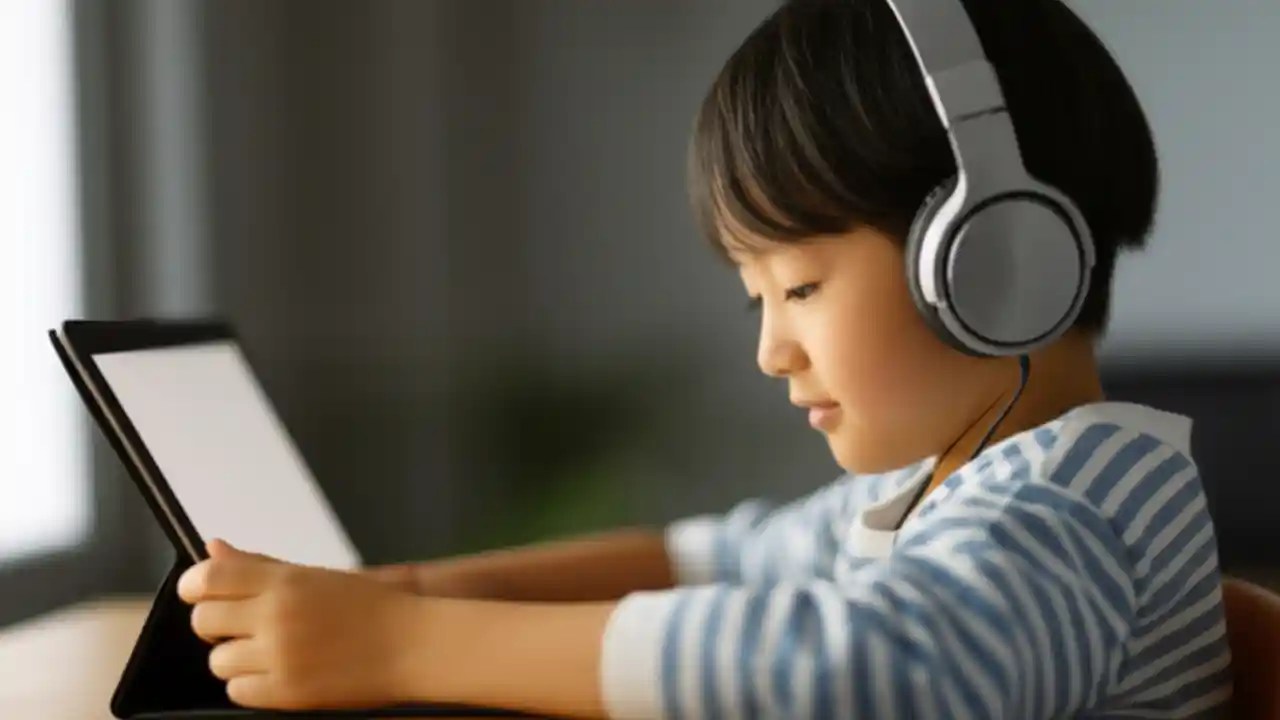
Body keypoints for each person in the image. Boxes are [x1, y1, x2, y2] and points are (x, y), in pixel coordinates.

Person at [176, 0, 1233, 717]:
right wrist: (403, 594)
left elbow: (879, 672)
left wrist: (404, 645)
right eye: (754, 298)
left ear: (995, 259)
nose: (770, 350)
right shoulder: (946, 485)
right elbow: (701, 560)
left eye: (800, 287)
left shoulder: (1070, 503)